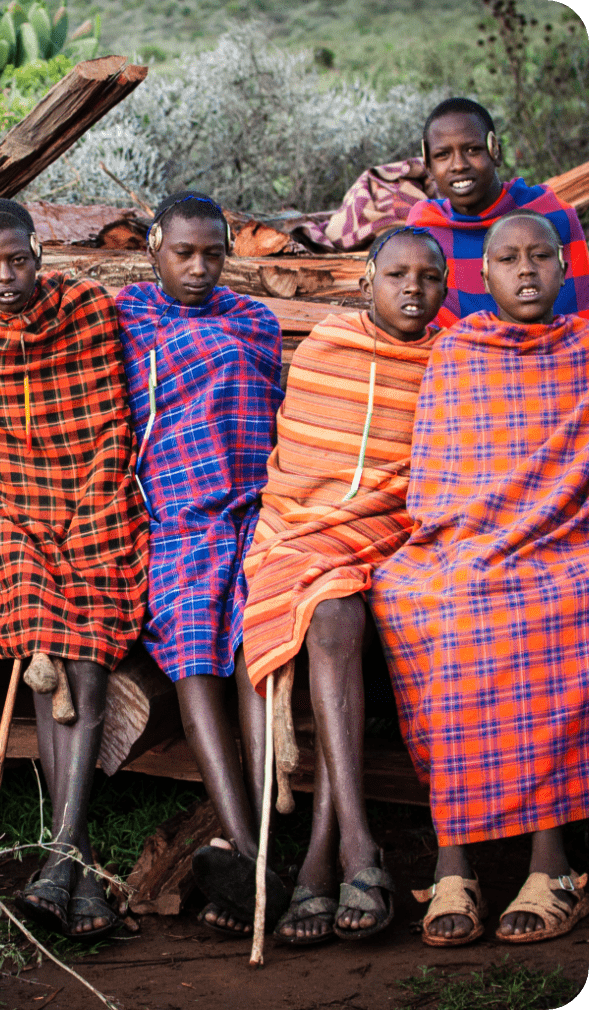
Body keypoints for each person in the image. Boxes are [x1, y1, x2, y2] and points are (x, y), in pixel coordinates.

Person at [372, 210, 589, 947]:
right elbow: (439, 478)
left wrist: (532, 531)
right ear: (484, 276)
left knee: (550, 600)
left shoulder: (586, 348)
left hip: (567, 540)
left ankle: (551, 864)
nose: (525, 270)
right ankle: (453, 860)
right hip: (465, 541)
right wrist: (477, 538)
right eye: (508, 259)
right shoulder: (460, 352)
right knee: (424, 597)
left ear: (564, 269)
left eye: (540, 257)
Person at [0, 199, 149, 939]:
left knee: (86, 655)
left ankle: (60, 858)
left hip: (92, 494)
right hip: (8, 508)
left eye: (16, 260)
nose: (4, 277)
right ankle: (75, 864)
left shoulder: (86, 310)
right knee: (39, 651)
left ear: (38, 254)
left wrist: (89, 510)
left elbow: (111, 423)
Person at [242, 227, 448, 943]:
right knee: (333, 615)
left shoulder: (450, 363)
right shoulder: (328, 348)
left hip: (394, 534)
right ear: (367, 282)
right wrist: (319, 524)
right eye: (396, 274)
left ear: (446, 289)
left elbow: (437, 476)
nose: (412, 288)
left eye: (428, 276)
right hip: (300, 529)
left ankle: (323, 862)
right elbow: (302, 464)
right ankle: (354, 847)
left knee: (345, 614)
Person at [115, 191, 286, 936]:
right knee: (190, 653)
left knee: (258, 644)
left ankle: (254, 850)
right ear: (154, 247)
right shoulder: (128, 317)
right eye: (183, 252)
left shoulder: (253, 321)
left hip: (256, 512)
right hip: (172, 520)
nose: (198, 266)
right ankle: (248, 850)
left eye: (213, 253)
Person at [407, 97, 589, 328]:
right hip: (462, 359)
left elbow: (580, 316)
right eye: (443, 155)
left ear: (496, 152)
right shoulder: (425, 230)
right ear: (429, 167)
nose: (459, 165)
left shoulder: (552, 216)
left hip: (556, 356)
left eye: (473, 150)